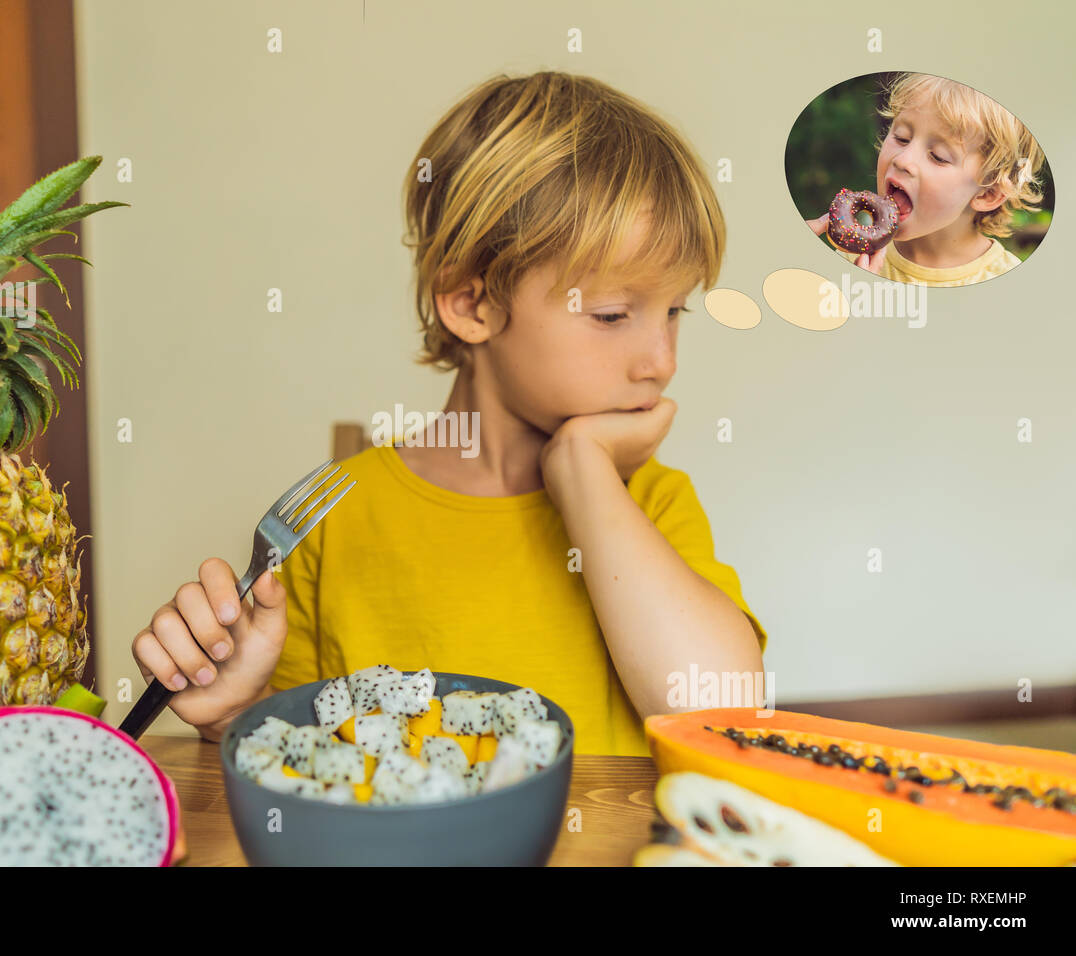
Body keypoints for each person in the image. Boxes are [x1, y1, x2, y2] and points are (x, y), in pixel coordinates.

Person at [132, 71, 766, 756]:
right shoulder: (336, 520)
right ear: (470, 303)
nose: (662, 360)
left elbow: (723, 718)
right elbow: (302, 766)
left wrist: (583, 473)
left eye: (675, 311)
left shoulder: (650, 506)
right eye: (613, 315)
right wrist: (236, 715)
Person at [808, 72, 1045, 287]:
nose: (903, 160)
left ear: (987, 193)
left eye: (938, 157)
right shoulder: (854, 260)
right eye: (901, 138)